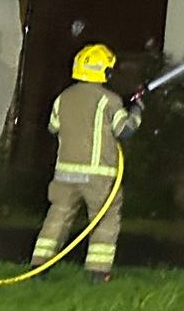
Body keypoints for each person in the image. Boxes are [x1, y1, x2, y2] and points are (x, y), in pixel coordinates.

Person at [30, 44, 143, 282]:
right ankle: (98, 272)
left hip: (64, 174)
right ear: (106, 72)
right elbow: (125, 131)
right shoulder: (109, 100)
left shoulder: (63, 98)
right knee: (105, 218)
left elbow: (53, 128)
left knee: (57, 217)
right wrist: (137, 109)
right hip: (99, 174)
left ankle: (39, 266)